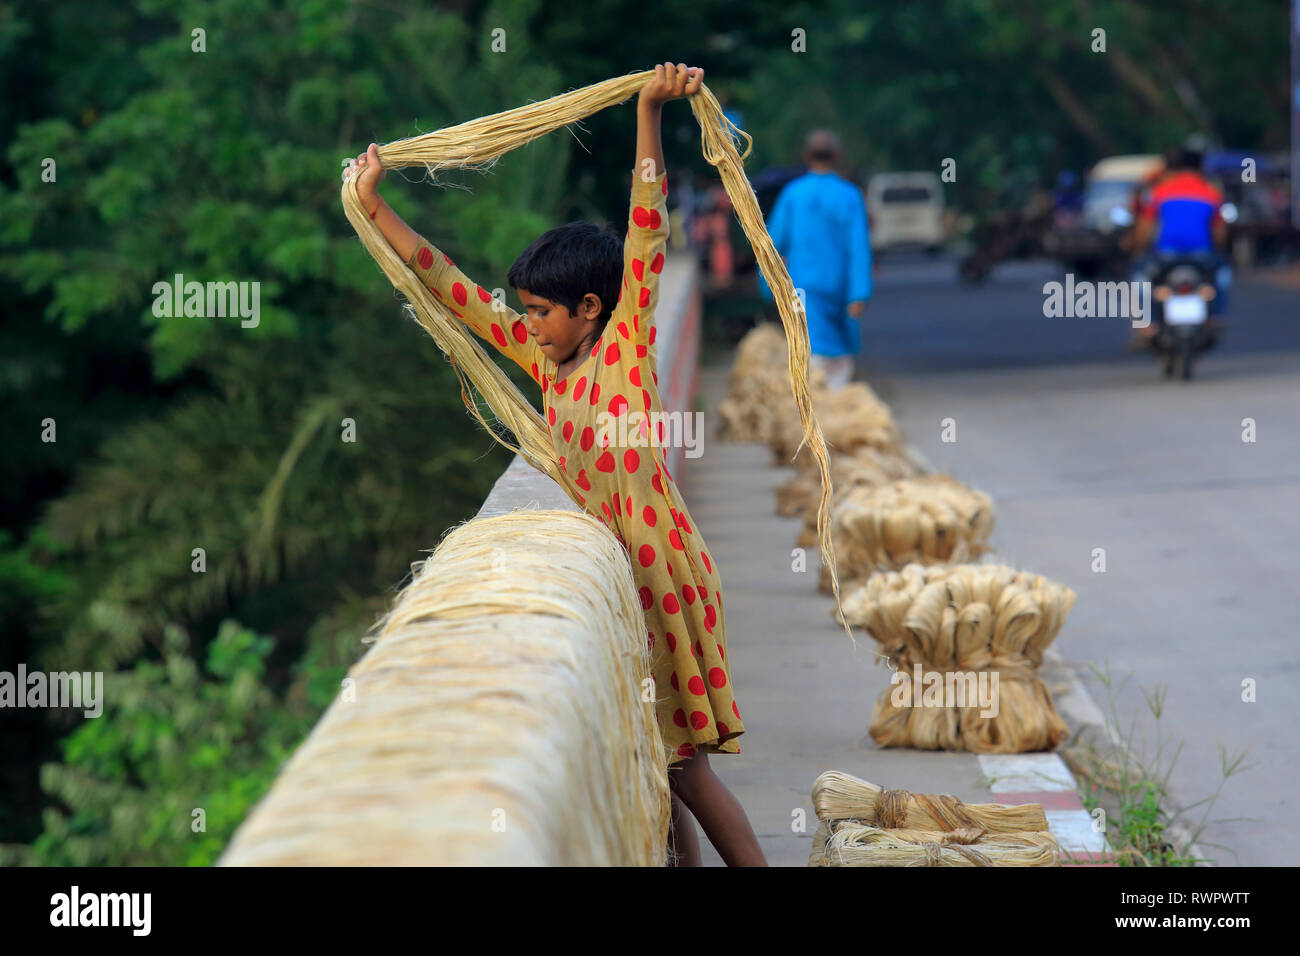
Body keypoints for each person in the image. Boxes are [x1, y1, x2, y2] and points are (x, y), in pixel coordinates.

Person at [345, 62, 766, 867]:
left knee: (685, 770)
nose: (528, 324)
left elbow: (648, 227)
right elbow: (452, 290)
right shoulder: (547, 364)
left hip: (660, 579)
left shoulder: (627, 347)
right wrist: (377, 208)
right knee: (657, 764)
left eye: (541, 312)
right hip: (619, 578)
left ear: (591, 311)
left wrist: (647, 110)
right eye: (527, 311)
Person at [757, 129, 872, 388]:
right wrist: (859, 294)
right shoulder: (850, 195)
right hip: (840, 290)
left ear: (806, 155)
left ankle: (816, 417)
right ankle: (834, 407)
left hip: (802, 290)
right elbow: (859, 248)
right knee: (839, 356)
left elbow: (771, 247)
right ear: (837, 156)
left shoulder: (792, 194)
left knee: (809, 351)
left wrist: (767, 289)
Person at [1131, 145, 1230, 339]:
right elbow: (1220, 235)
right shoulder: (1212, 193)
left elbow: (1143, 230)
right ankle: (1216, 316)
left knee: (1139, 278)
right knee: (1223, 274)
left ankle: (1147, 323)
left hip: (1165, 256)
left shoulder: (1158, 192)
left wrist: (1137, 249)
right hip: (1203, 256)